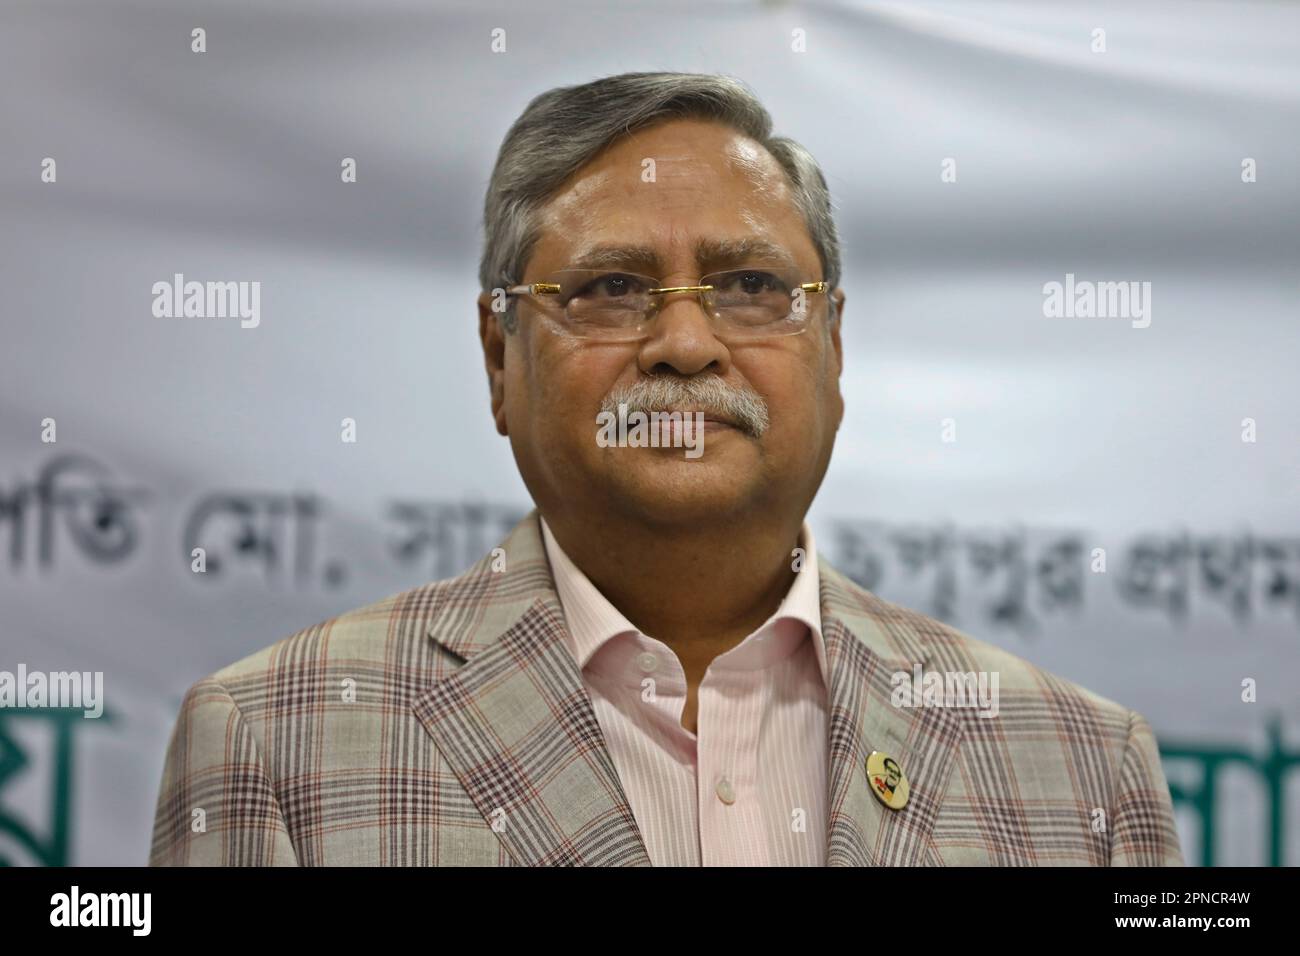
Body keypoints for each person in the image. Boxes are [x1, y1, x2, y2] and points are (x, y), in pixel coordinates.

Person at [150, 71, 1182, 866]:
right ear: (500, 358)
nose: (685, 341)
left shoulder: (1082, 762)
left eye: (748, 284)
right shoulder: (278, 738)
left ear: (832, 351)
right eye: (609, 286)